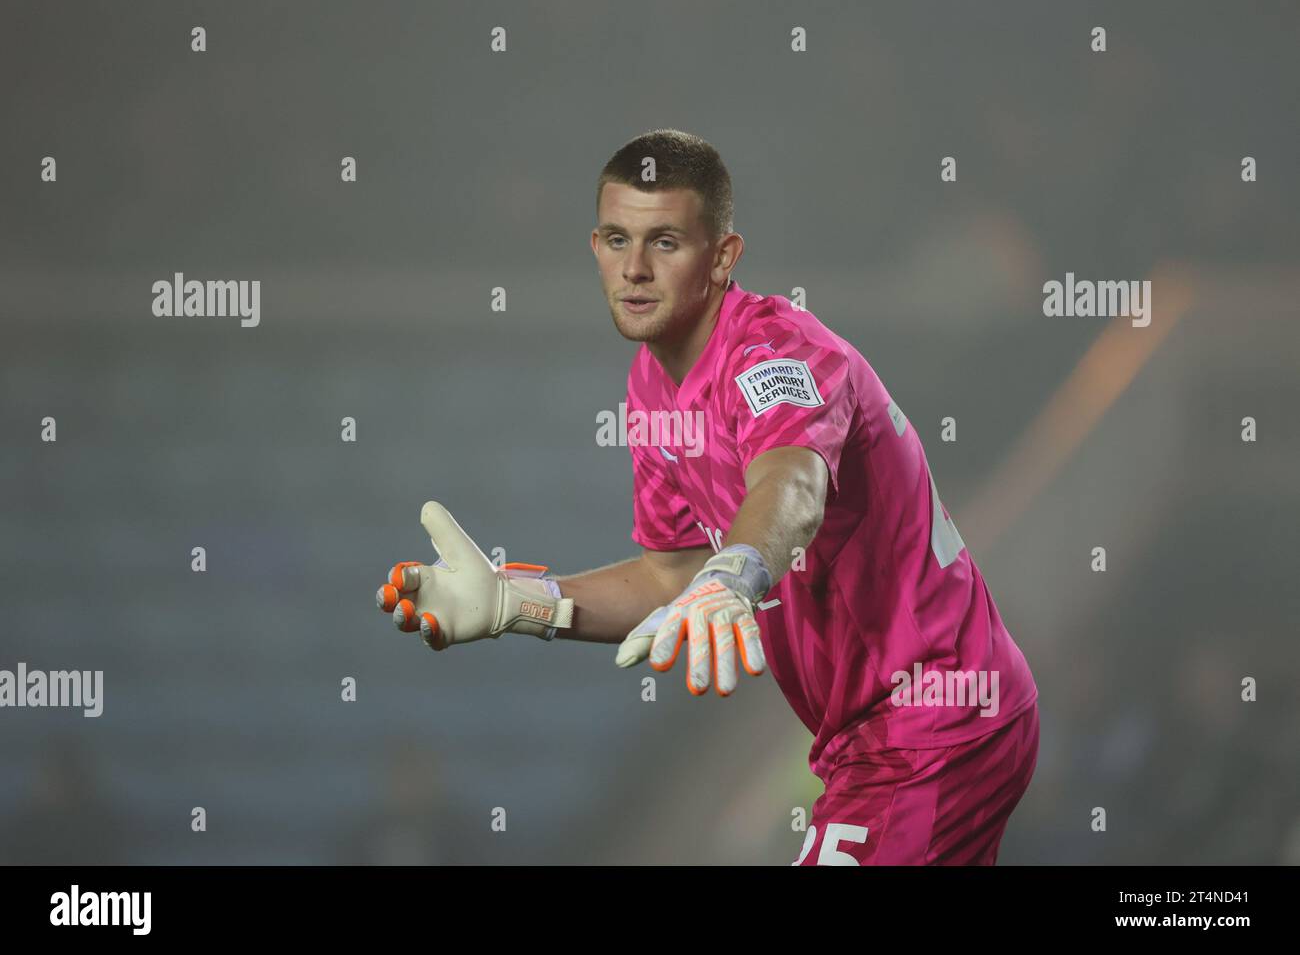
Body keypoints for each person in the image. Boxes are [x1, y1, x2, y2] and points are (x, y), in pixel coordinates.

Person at [375, 128, 1039, 865]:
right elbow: (669, 573)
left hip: (932, 717)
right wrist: (514, 604)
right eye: (616, 238)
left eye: (665, 242)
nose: (634, 268)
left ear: (722, 257)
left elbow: (792, 484)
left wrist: (737, 574)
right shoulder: (651, 388)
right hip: (876, 735)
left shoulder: (777, 352)